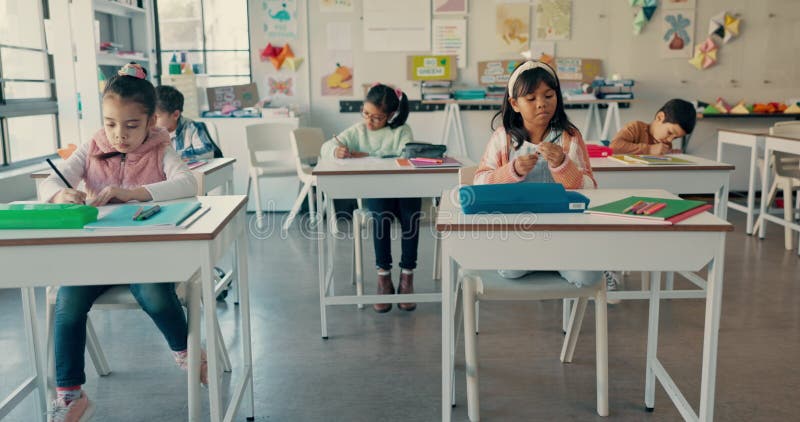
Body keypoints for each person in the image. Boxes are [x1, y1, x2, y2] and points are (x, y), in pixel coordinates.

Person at [39, 63, 201, 422]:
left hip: (147, 255)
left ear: (151, 123)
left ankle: (187, 349)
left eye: (131, 126)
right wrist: (61, 194)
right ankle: (70, 395)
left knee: (155, 295)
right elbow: (47, 184)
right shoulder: (91, 147)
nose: (118, 135)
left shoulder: (161, 149)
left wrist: (132, 193)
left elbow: (188, 185)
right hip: (97, 257)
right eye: (111, 124)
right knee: (67, 303)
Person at [473, 60, 606, 290]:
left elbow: (590, 188)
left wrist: (563, 164)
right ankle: (544, 261)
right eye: (531, 99)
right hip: (518, 232)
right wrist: (511, 171)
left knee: (588, 277)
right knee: (510, 270)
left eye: (549, 96)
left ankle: (551, 260)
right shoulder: (503, 138)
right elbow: (479, 182)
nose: (542, 104)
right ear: (514, 103)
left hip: (565, 234)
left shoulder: (569, 137)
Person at [320, 83, 418, 313]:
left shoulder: (402, 130)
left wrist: (371, 154)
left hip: (404, 190)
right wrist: (336, 151)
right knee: (380, 215)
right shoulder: (357, 131)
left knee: (411, 215)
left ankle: (407, 277)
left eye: (377, 117)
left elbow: (406, 154)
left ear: (391, 115)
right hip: (378, 192)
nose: (369, 121)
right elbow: (326, 147)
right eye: (366, 113)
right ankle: (383, 278)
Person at [609, 98, 697, 155]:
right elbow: (614, 147)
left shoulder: (666, 144)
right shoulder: (636, 127)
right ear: (660, 117)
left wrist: (670, 154)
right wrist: (649, 150)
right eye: (669, 132)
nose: (670, 140)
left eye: (675, 138)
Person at [154, 84, 218, 160]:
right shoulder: (150, 132)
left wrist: (177, 156)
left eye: (156, 117)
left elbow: (207, 152)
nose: (151, 120)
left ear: (175, 115)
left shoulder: (192, 128)